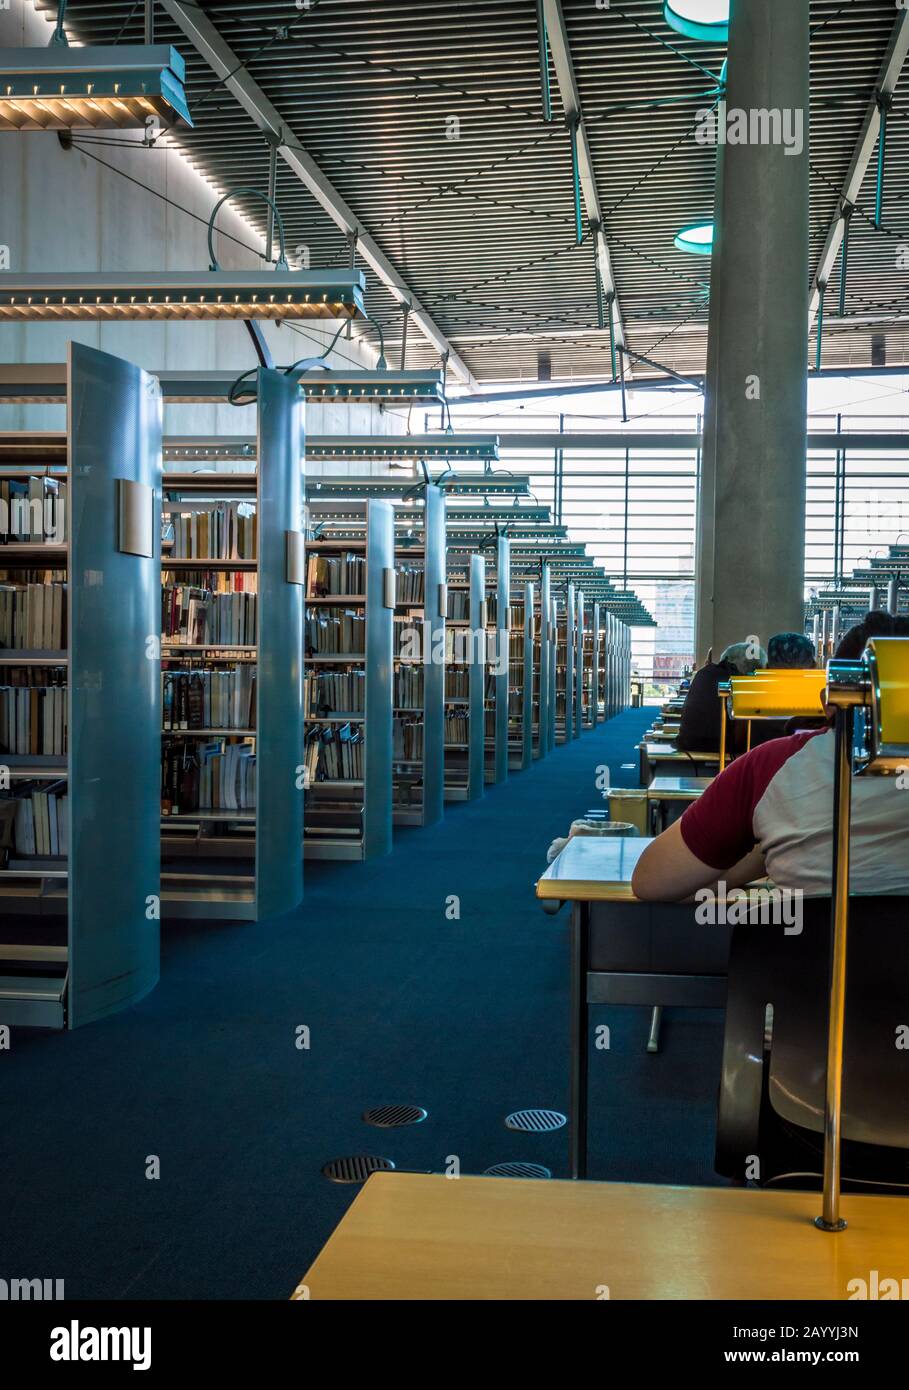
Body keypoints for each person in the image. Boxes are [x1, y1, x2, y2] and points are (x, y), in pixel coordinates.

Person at [632, 612, 909, 901]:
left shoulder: (772, 766)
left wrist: (768, 850)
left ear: (830, 699)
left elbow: (651, 882)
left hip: (800, 944)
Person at [675, 641, 767, 754]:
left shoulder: (703, 673)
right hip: (722, 751)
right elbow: (742, 736)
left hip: (688, 745)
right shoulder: (740, 683)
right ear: (753, 669)